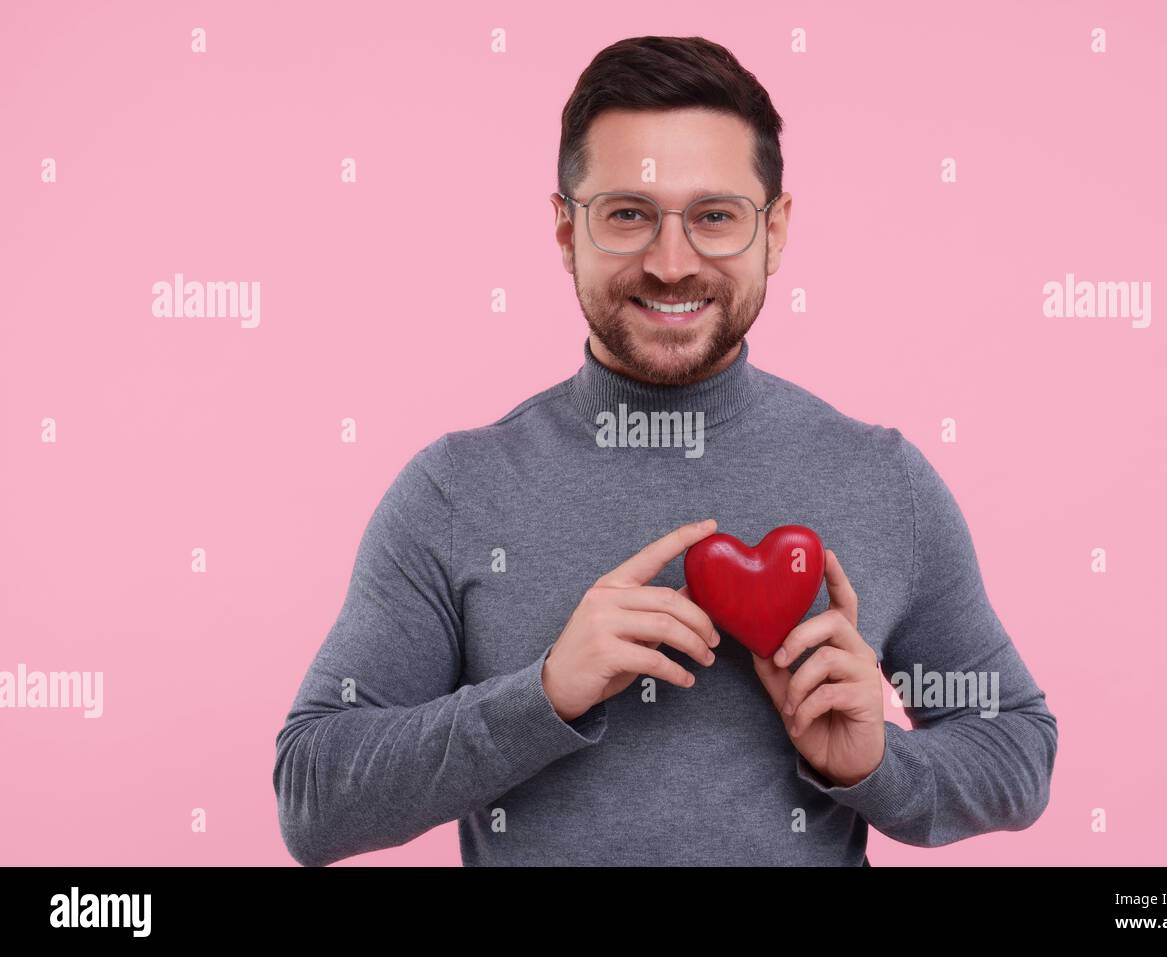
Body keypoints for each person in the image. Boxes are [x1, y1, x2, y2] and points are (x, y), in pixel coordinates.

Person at [273, 35, 1058, 867]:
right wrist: (543, 695)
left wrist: (875, 764)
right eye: (627, 215)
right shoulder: (456, 489)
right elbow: (313, 799)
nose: (671, 264)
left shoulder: (880, 478)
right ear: (567, 232)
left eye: (715, 216)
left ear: (774, 231)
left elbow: (1018, 747)